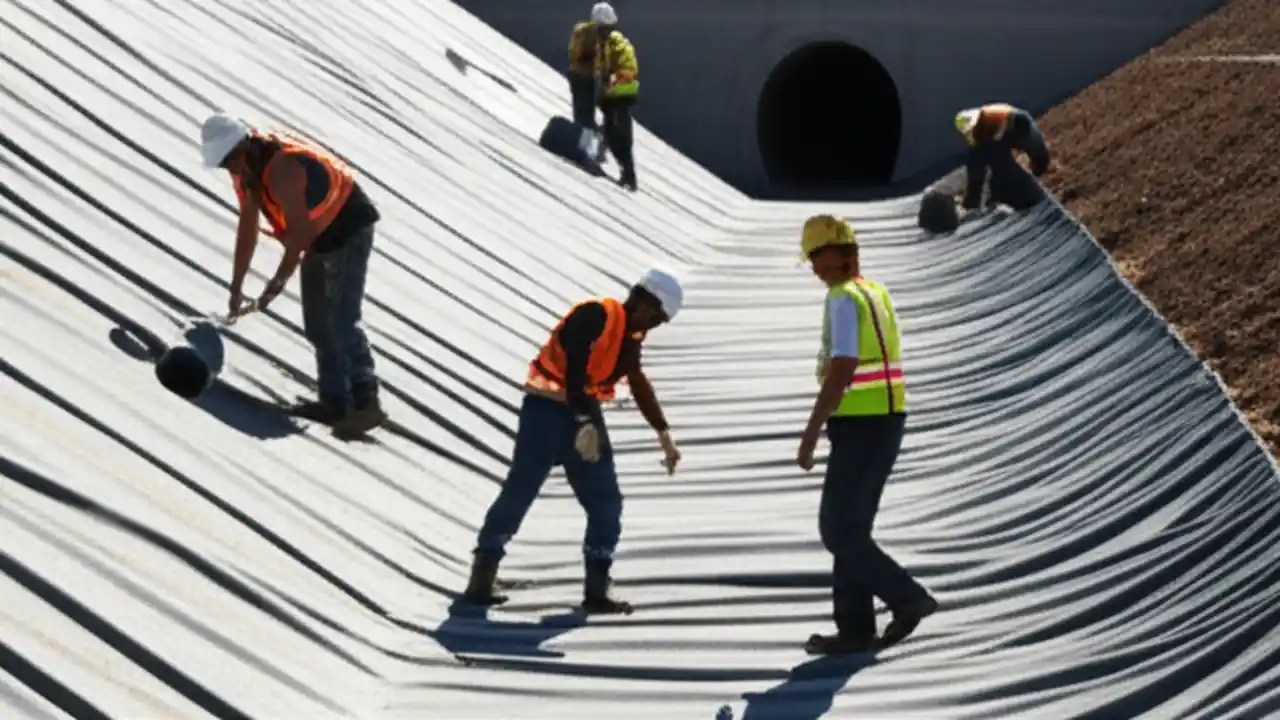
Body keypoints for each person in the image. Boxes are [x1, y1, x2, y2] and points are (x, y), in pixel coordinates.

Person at [464, 268, 685, 614]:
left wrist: (664, 436)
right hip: (546, 412)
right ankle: (481, 576)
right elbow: (576, 369)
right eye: (657, 317)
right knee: (522, 489)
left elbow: (637, 382)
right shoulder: (595, 315)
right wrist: (584, 421)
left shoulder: (630, 337)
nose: (655, 326)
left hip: (582, 416)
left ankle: (597, 589)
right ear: (644, 302)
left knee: (606, 501)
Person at [796, 214, 938, 654]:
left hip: (861, 425)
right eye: (811, 258)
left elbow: (843, 366)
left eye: (819, 254)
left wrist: (811, 432)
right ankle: (856, 630)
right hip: (887, 421)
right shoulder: (876, 292)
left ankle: (907, 597)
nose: (815, 266)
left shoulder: (842, 299)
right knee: (850, 529)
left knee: (837, 530)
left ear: (841, 253)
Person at [199, 112, 386, 439]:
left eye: (229, 161)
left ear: (245, 148)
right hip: (316, 236)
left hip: (348, 227)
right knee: (317, 321)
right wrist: (237, 287)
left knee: (343, 318)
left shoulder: (284, 168)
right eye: (223, 165)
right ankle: (334, 401)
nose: (228, 169)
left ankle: (366, 401)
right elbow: (247, 230)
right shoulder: (247, 173)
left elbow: (298, 239)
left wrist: (275, 286)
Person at [954, 103, 1052, 213]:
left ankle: (1038, 170)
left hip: (1017, 125)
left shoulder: (993, 116)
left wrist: (998, 138)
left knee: (1038, 155)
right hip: (1004, 137)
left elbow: (1013, 124)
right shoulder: (976, 137)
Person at [591, 2, 640, 191]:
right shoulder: (609, 43)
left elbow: (622, 71)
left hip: (619, 96)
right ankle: (627, 175)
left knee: (619, 136)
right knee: (616, 134)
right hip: (619, 96)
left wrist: (609, 89)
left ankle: (629, 176)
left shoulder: (614, 43)